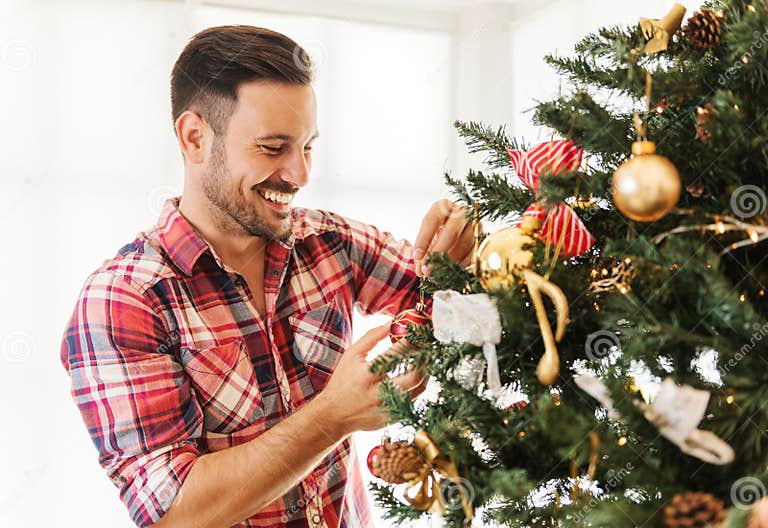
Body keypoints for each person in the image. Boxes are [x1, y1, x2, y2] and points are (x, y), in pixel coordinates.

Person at [60, 25, 474, 528]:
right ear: (195, 138)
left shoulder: (328, 242)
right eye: (273, 147)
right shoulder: (124, 301)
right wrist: (332, 418)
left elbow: (448, 299)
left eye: (307, 147)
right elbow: (175, 512)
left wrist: (462, 255)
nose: (300, 174)